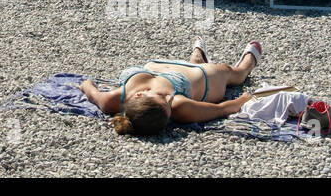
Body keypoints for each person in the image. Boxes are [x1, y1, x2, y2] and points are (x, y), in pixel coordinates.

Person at [78, 39, 262, 136]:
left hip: (164, 65)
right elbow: (222, 109)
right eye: (169, 106)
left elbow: (91, 92)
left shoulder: (113, 100)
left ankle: (197, 57)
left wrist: (86, 84)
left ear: (139, 95)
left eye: (164, 99)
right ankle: (247, 65)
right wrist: (243, 99)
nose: (170, 99)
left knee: (202, 65)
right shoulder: (180, 107)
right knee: (230, 73)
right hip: (203, 77)